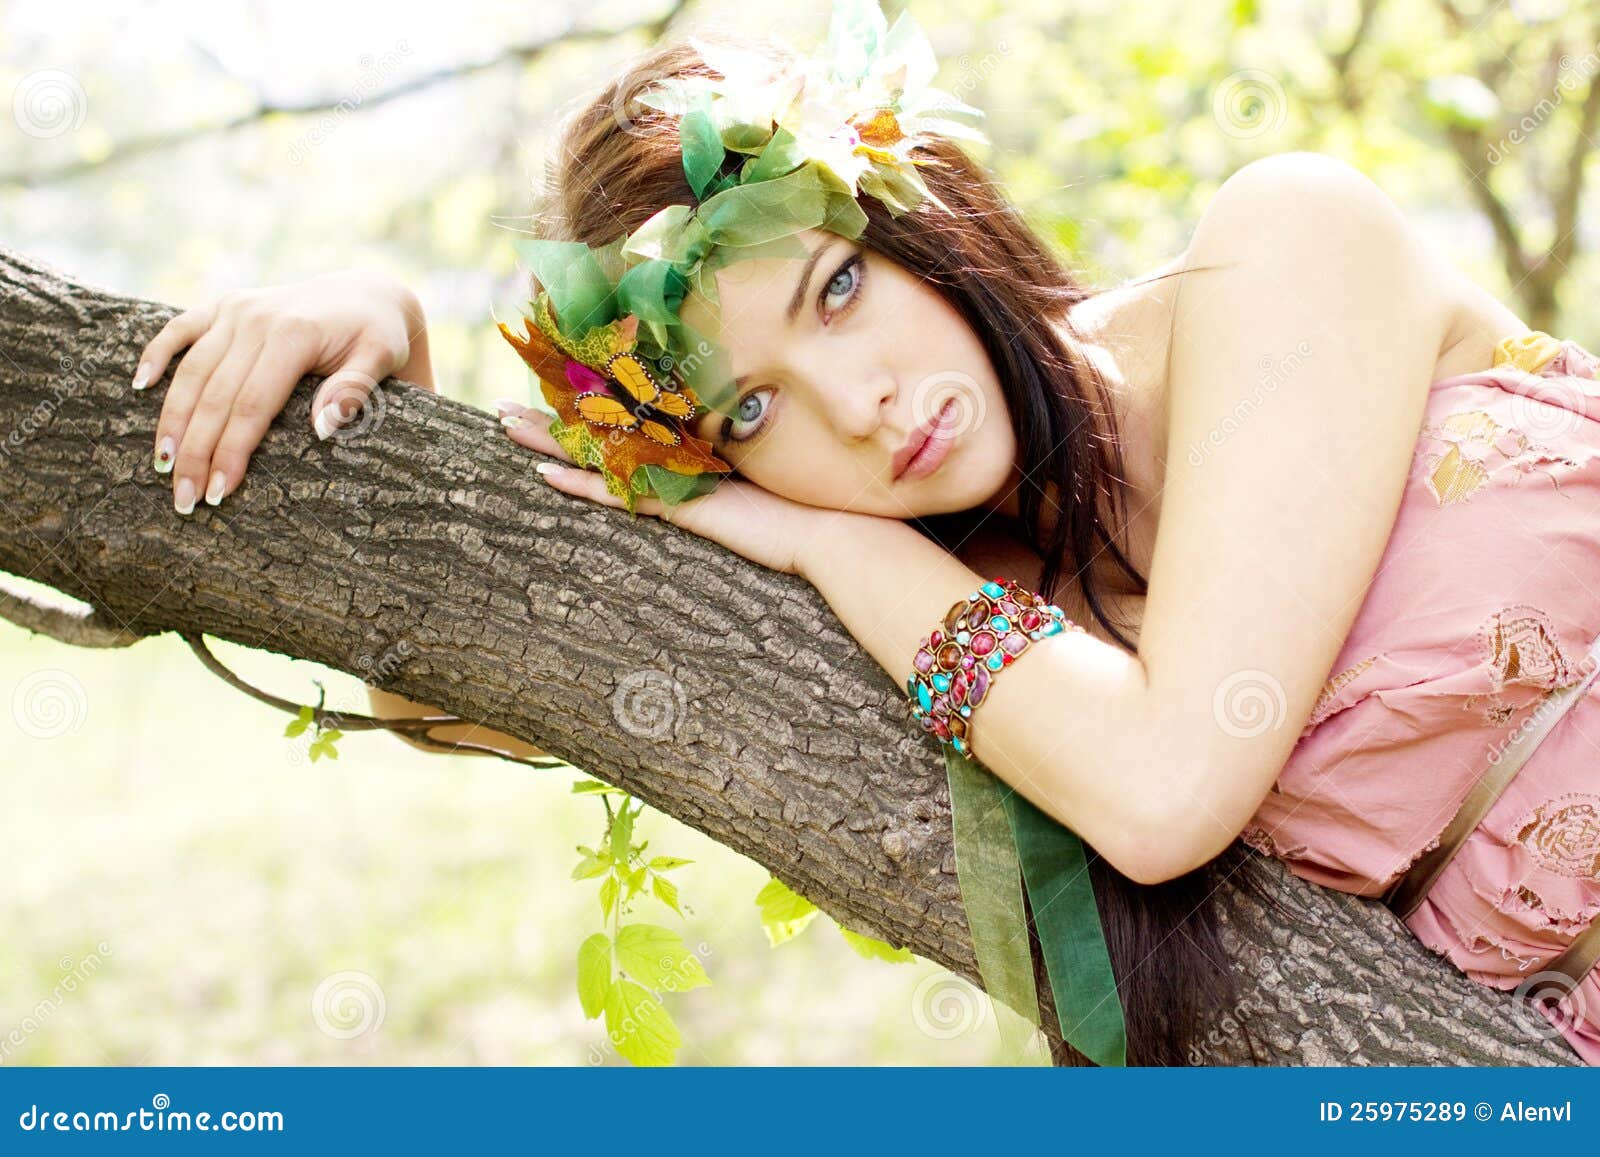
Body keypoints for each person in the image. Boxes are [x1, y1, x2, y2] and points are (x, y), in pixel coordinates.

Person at [126, 17, 1600, 1067]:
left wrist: (847, 555)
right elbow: (451, 685)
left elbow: (1166, 791)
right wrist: (391, 353)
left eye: (836, 289)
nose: (857, 404)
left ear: (921, 220)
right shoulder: (972, 615)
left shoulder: (1279, 248)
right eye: (755, 403)